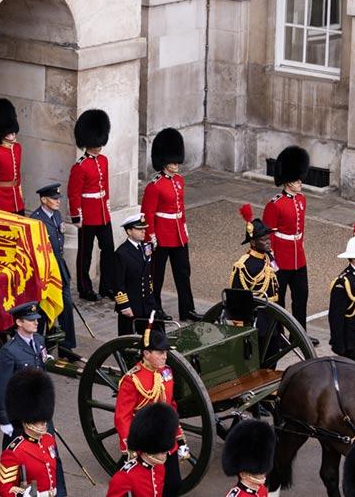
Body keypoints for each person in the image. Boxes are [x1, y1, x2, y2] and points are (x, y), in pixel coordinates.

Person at [0, 301, 67, 495]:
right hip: (20, 417)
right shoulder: (9, 351)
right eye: (30, 320)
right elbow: (2, 387)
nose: (36, 322)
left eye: (36, 319)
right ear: (19, 322)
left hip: (40, 412)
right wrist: (4, 417)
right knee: (17, 463)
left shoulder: (40, 341)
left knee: (51, 455)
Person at [114, 321, 188, 497]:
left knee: (173, 484)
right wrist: (129, 447)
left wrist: (179, 437)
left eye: (165, 353)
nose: (165, 357)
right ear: (146, 354)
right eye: (160, 353)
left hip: (166, 439)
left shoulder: (166, 372)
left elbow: (170, 406)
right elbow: (122, 417)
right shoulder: (132, 379)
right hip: (144, 442)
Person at [141, 128, 201, 322]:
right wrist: (151, 237)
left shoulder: (179, 181)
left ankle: (187, 309)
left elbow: (180, 208)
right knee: (156, 275)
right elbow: (147, 215)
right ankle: (155, 308)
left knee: (183, 272)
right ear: (164, 161)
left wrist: (184, 228)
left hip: (178, 235)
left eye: (177, 160)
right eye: (173, 161)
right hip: (161, 236)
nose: (177, 164)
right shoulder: (154, 186)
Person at [262, 145, 317, 345]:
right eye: (296, 179)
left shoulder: (301, 200)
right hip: (281, 259)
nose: (300, 182)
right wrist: (271, 261)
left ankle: (299, 335)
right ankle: (278, 336)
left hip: (298, 258)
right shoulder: (275, 204)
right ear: (287, 181)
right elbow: (267, 236)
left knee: (301, 297)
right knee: (279, 299)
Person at [68, 108, 114, 301]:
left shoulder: (103, 161)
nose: (99, 146)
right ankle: (84, 288)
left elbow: (106, 186)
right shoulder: (80, 166)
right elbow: (73, 193)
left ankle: (107, 286)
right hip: (88, 215)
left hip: (102, 213)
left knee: (109, 249)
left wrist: (107, 206)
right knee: (85, 254)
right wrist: (76, 216)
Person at [0, 368, 59, 497]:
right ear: (26, 422)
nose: (43, 423)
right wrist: (22, 494)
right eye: (38, 421)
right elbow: (4, 489)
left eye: (44, 420)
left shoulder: (48, 440)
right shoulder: (14, 452)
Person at [29, 183, 76, 353]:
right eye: (54, 199)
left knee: (66, 305)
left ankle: (66, 347)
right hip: (45, 268)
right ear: (43, 200)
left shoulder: (56, 214)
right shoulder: (36, 219)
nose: (58, 201)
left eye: (58, 198)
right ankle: (42, 346)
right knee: (44, 308)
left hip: (59, 265)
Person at [106, 403, 179, 497]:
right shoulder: (124, 478)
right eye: (162, 451)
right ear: (151, 447)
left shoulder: (159, 468)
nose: (166, 452)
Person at [113, 214, 161, 335]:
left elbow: (148, 276)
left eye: (144, 228)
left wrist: (152, 299)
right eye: (139, 229)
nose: (143, 231)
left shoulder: (146, 247)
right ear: (129, 231)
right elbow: (118, 283)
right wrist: (124, 306)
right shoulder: (121, 253)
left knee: (152, 338)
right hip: (132, 306)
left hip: (147, 304)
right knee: (129, 341)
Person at [230, 204, 279, 302]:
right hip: (256, 307)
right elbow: (237, 296)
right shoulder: (243, 265)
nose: (268, 242)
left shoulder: (269, 256)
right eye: (263, 240)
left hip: (271, 305)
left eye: (268, 238)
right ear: (253, 243)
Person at [221, 419, 276, 497]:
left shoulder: (261, 489)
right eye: (257, 472)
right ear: (243, 474)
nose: (263, 473)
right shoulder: (238, 495)